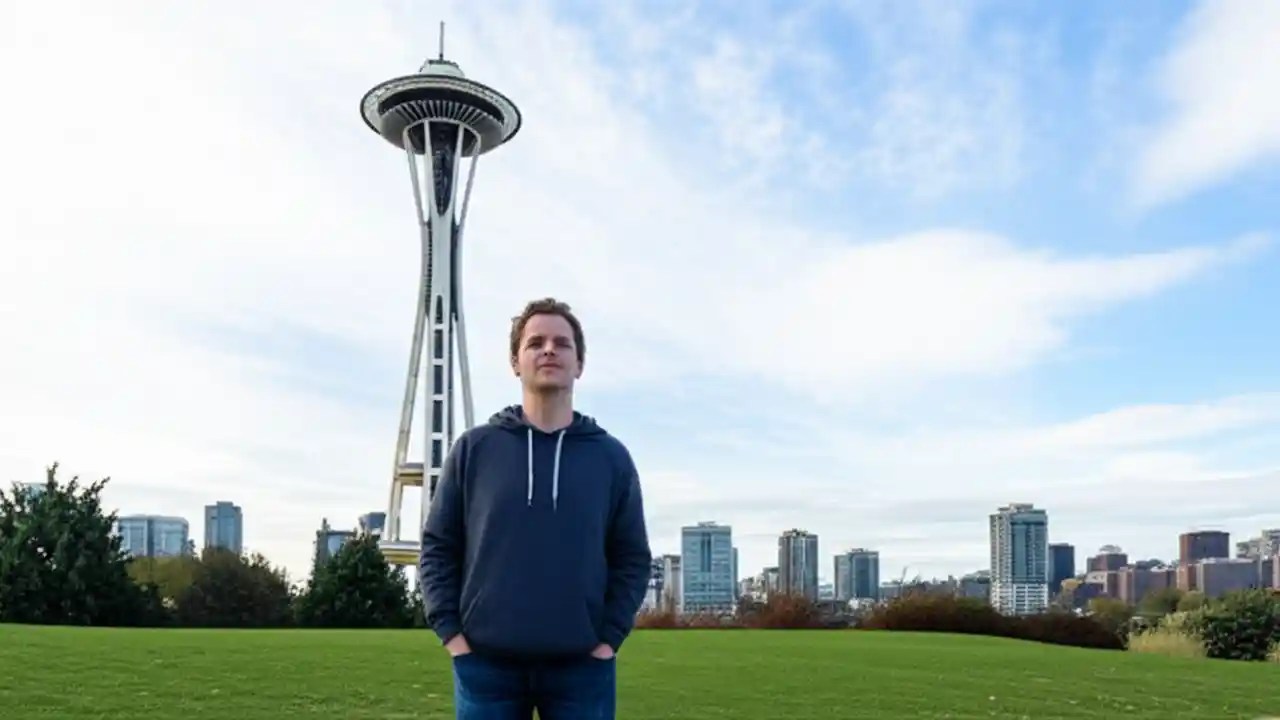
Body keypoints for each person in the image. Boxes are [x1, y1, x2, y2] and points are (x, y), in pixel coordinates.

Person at [419, 297, 653, 719]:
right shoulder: (474, 449)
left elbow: (631, 557)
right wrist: (452, 636)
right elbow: (438, 547)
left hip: (582, 669)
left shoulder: (610, 457)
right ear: (516, 361)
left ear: (579, 363)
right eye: (536, 342)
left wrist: (608, 640)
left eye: (562, 343)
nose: (549, 350)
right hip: (485, 668)